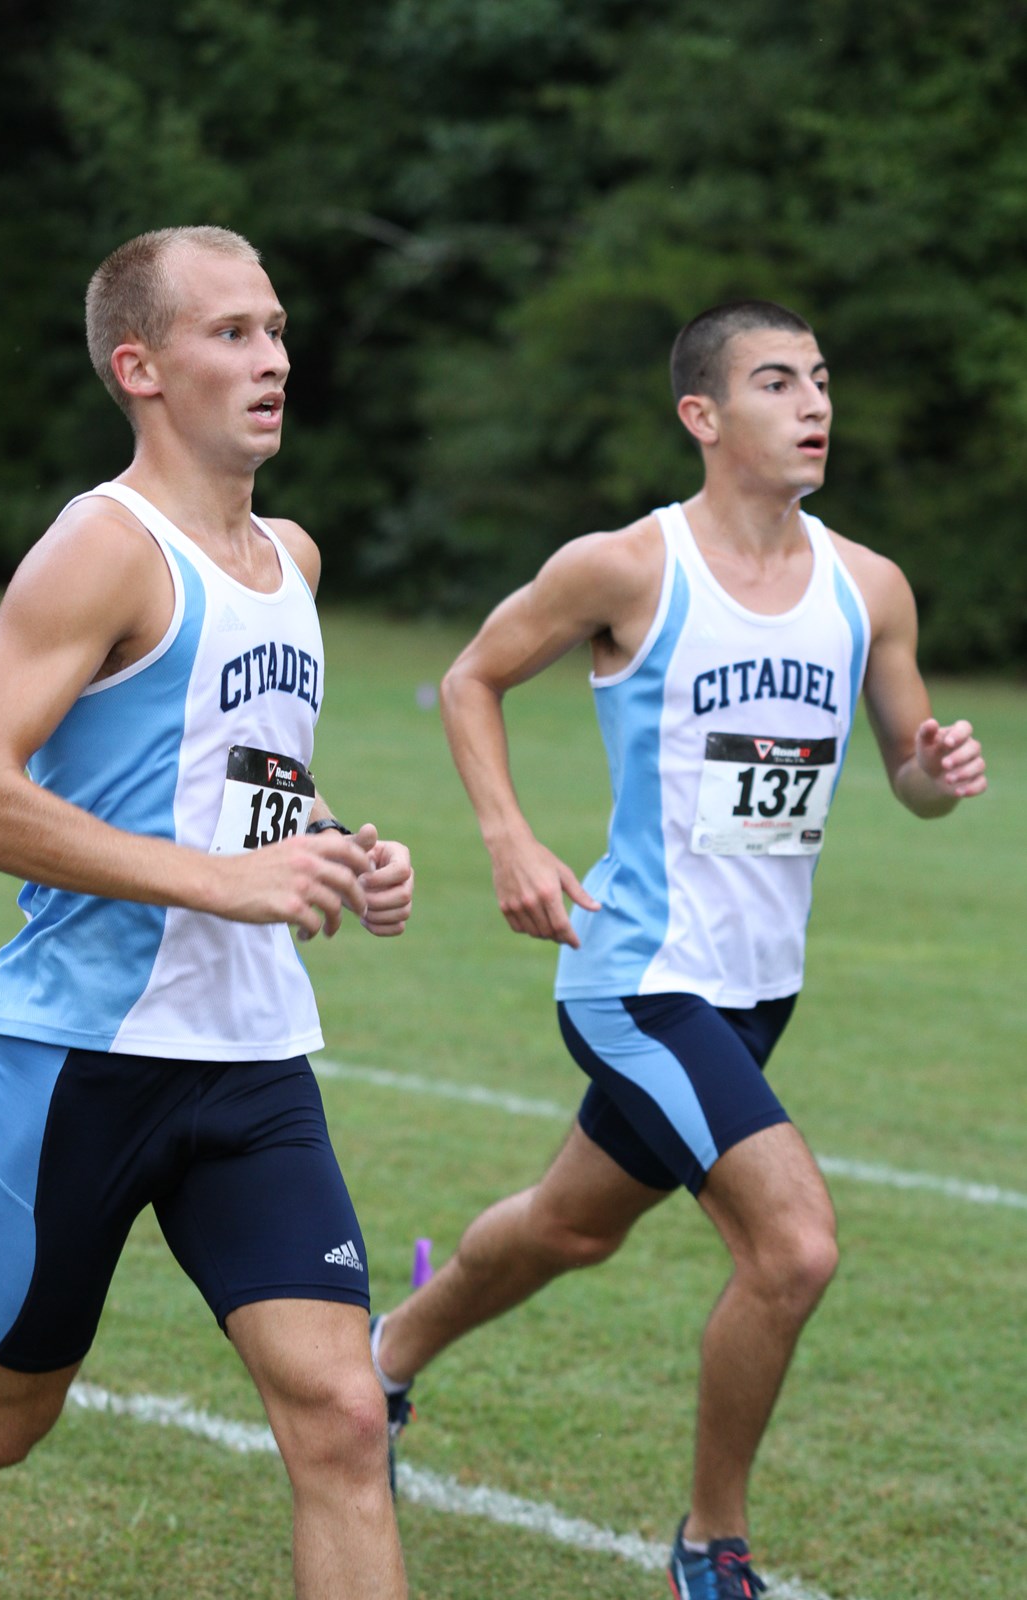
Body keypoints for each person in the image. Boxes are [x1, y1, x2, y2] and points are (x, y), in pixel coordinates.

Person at [368, 300, 986, 1598]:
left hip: (762, 991)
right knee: (794, 1247)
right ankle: (711, 1547)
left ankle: (383, 1360)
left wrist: (938, 770)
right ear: (703, 415)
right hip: (639, 980)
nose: (814, 402)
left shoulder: (869, 587)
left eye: (821, 377)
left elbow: (912, 778)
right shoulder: (628, 568)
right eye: (777, 381)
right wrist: (510, 841)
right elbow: (475, 675)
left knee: (565, 1231)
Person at [0, 226, 412, 1600]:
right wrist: (224, 882)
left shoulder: (295, 557)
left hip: (256, 1064)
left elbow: (238, 782)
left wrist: (330, 848)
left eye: (276, 330)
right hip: (86, 1055)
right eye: (232, 334)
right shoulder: (102, 549)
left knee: (342, 1416)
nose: (273, 358)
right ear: (140, 366)